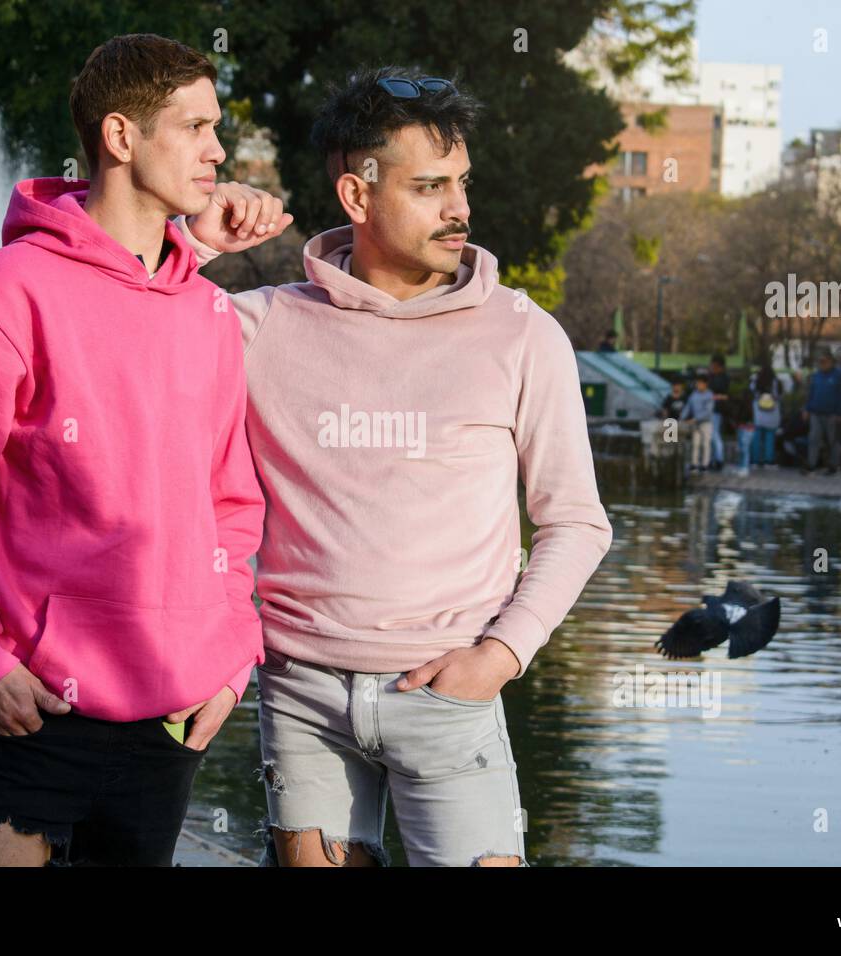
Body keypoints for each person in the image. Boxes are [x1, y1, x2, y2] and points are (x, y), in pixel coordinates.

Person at [177, 66, 613, 866]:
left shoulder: (523, 334)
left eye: (462, 183)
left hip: (451, 696)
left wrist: (501, 655)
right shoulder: (262, 326)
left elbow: (577, 522)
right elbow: (117, 353)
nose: (460, 209)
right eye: (430, 186)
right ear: (358, 194)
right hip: (302, 695)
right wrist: (195, 244)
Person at [0, 34, 266, 866]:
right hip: (29, 717)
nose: (218, 151)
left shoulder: (209, 314)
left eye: (216, 128)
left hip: (168, 726)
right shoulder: (3, 290)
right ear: (121, 136)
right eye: (195, 127)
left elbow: (231, 508)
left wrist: (232, 656)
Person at [804, 349, 841, 475]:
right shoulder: (817, 375)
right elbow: (811, 393)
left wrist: (840, 412)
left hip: (832, 414)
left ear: (831, 361)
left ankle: (834, 465)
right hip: (816, 413)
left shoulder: (839, 375)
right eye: (820, 362)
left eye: (824, 361)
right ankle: (811, 465)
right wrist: (807, 408)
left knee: (832, 441)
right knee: (813, 438)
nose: (822, 364)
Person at [681, 373, 715, 470]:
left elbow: (708, 411)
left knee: (705, 444)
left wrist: (695, 419)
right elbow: (688, 407)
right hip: (695, 424)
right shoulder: (693, 395)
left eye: (700, 383)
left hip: (706, 423)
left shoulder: (710, 395)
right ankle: (694, 464)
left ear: (705, 384)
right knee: (695, 444)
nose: (698, 385)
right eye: (697, 383)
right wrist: (682, 418)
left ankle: (705, 464)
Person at [751, 365, 781, 467]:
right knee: (770, 438)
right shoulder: (776, 382)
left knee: (757, 437)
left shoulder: (755, 381)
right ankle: (768, 460)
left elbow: (751, 392)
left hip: (759, 414)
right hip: (772, 414)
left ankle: (755, 460)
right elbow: (779, 396)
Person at [707, 354, 730, 469]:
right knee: (712, 435)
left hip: (716, 409)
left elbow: (724, 395)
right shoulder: (712, 377)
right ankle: (713, 459)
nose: (712, 367)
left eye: (714, 365)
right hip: (711, 409)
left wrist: (714, 397)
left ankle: (719, 459)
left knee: (714, 434)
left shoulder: (722, 378)